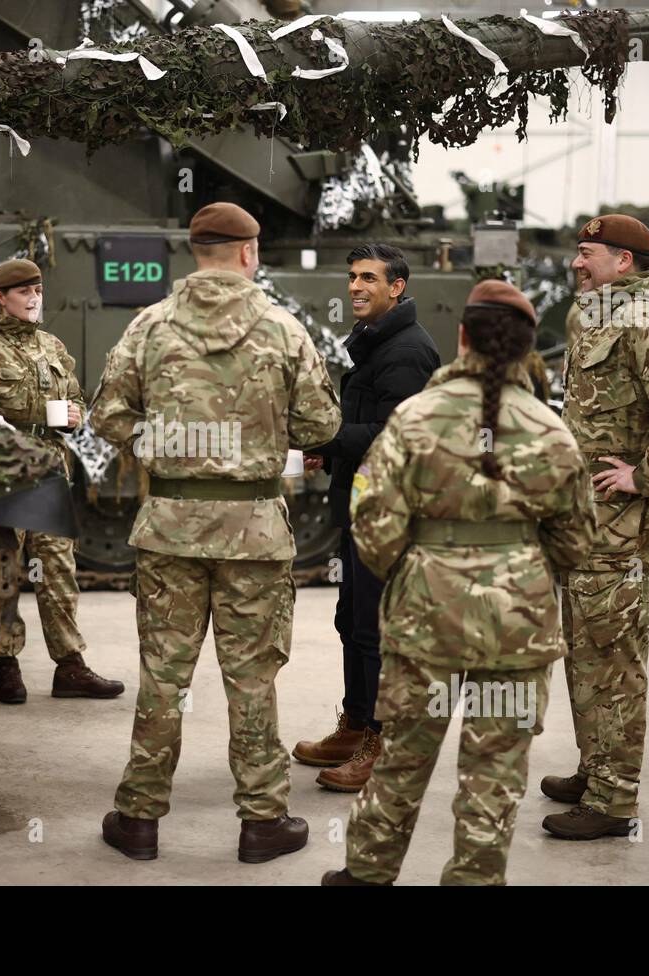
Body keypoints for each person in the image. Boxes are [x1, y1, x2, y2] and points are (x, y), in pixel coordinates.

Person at [323, 281, 595, 886]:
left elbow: (372, 523)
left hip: (426, 620)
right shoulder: (554, 432)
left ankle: (366, 875)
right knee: (495, 770)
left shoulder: (414, 419)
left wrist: (414, 571)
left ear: (463, 338)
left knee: (403, 757)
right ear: (528, 351)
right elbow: (577, 543)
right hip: (518, 629)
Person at [90, 202, 339, 862]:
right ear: (249, 254)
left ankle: (139, 818)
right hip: (254, 531)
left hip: (170, 528)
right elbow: (320, 426)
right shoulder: (284, 329)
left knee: (162, 678)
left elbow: (107, 413)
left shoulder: (148, 326)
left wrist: (163, 445)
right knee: (252, 677)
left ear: (196, 253)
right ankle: (263, 822)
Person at [539, 215, 649, 841]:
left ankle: (614, 801)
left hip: (626, 529)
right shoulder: (595, 315)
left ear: (625, 260)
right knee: (586, 653)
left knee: (614, 660)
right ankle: (595, 769)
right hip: (590, 523)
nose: (576, 264)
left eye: (587, 254)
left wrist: (645, 475)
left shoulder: (648, 323)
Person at [295, 244, 439, 794]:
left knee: (377, 630)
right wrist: (331, 453)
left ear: (396, 287)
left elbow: (393, 434)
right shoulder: (378, 341)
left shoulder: (405, 351)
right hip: (361, 504)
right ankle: (355, 725)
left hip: (390, 512)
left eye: (369, 278)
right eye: (352, 276)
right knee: (352, 620)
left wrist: (322, 438)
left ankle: (382, 742)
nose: (355, 286)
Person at [0, 259, 124, 702]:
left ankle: (70, 667)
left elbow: (73, 396)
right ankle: (7, 664)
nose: (34, 297)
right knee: (7, 566)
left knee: (58, 565)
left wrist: (75, 414)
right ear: (1, 298)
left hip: (52, 465)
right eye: (23, 291)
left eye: (37, 289)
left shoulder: (52, 345)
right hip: (7, 466)